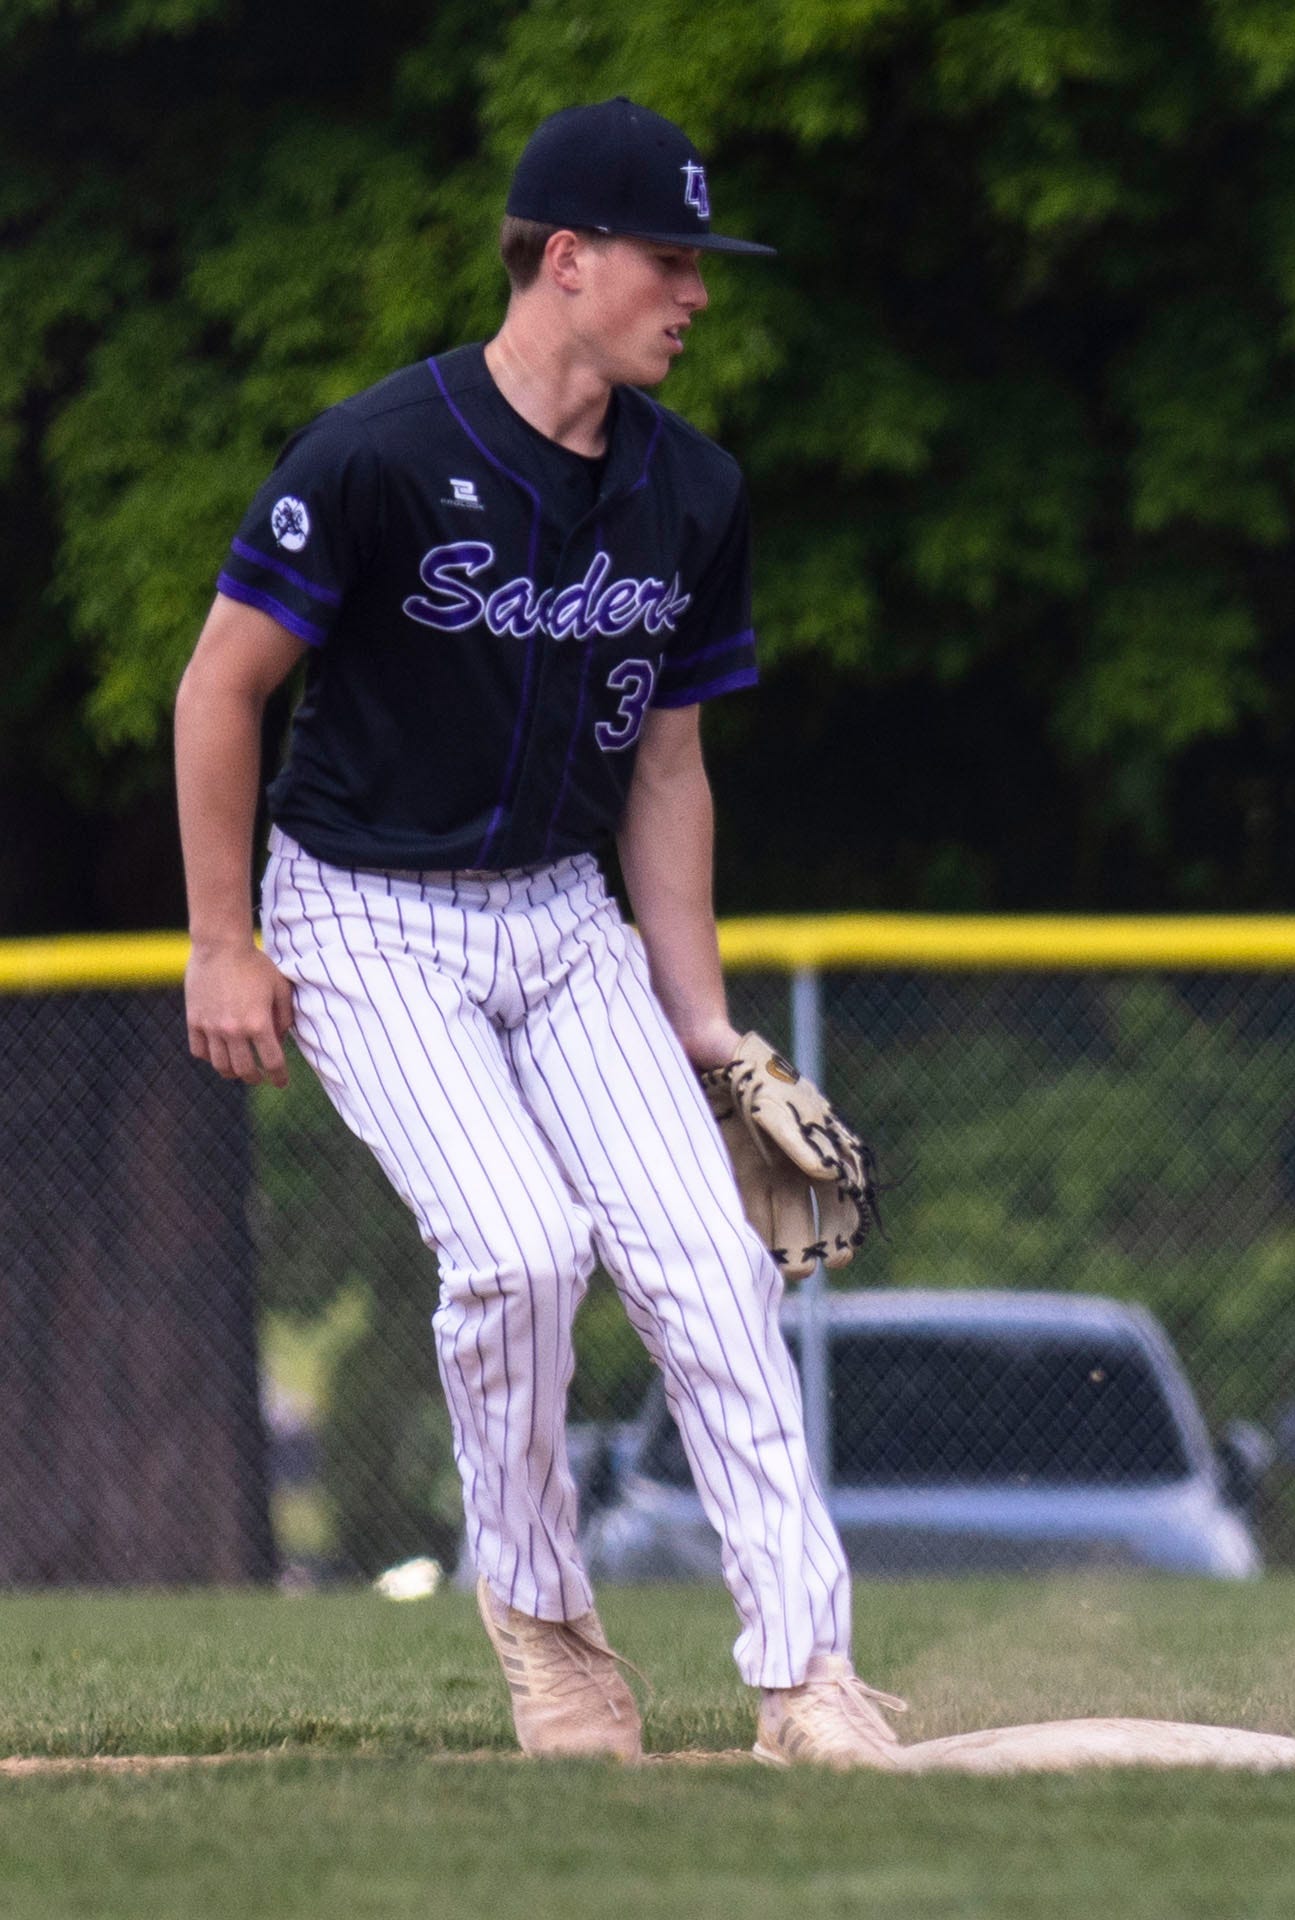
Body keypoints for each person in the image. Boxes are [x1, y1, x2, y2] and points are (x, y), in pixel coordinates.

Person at [174, 98, 910, 1768]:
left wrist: (704, 1020)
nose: (696, 293)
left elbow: (667, 764)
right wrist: (224, 941)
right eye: (670, 259)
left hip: (562, 920)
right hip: (363, 914)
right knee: (516, 1251)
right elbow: (219, 687)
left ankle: (806, 1681)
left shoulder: (692, 491)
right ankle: (551, 1639)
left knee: (718, 1272)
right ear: (564, 260)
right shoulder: (372, 455)